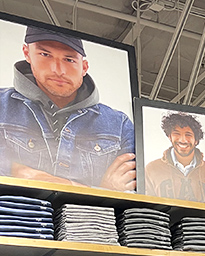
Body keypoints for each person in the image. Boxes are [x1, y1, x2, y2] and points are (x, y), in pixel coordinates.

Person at [0, 26, 136, 191]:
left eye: (69, 59)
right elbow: (112, 194)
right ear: (27, 53)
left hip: (90, 218)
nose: (58, 70)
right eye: (45, 55)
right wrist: (100, 190)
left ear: (84, 67)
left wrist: (27, 174)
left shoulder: (120, 126)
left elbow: (130, 197)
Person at [143, 112, 205, 203]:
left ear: (196, 140)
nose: (182, 140)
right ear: (170, 137)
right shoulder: (151, 169)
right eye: (176, 133)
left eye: (188, 135)